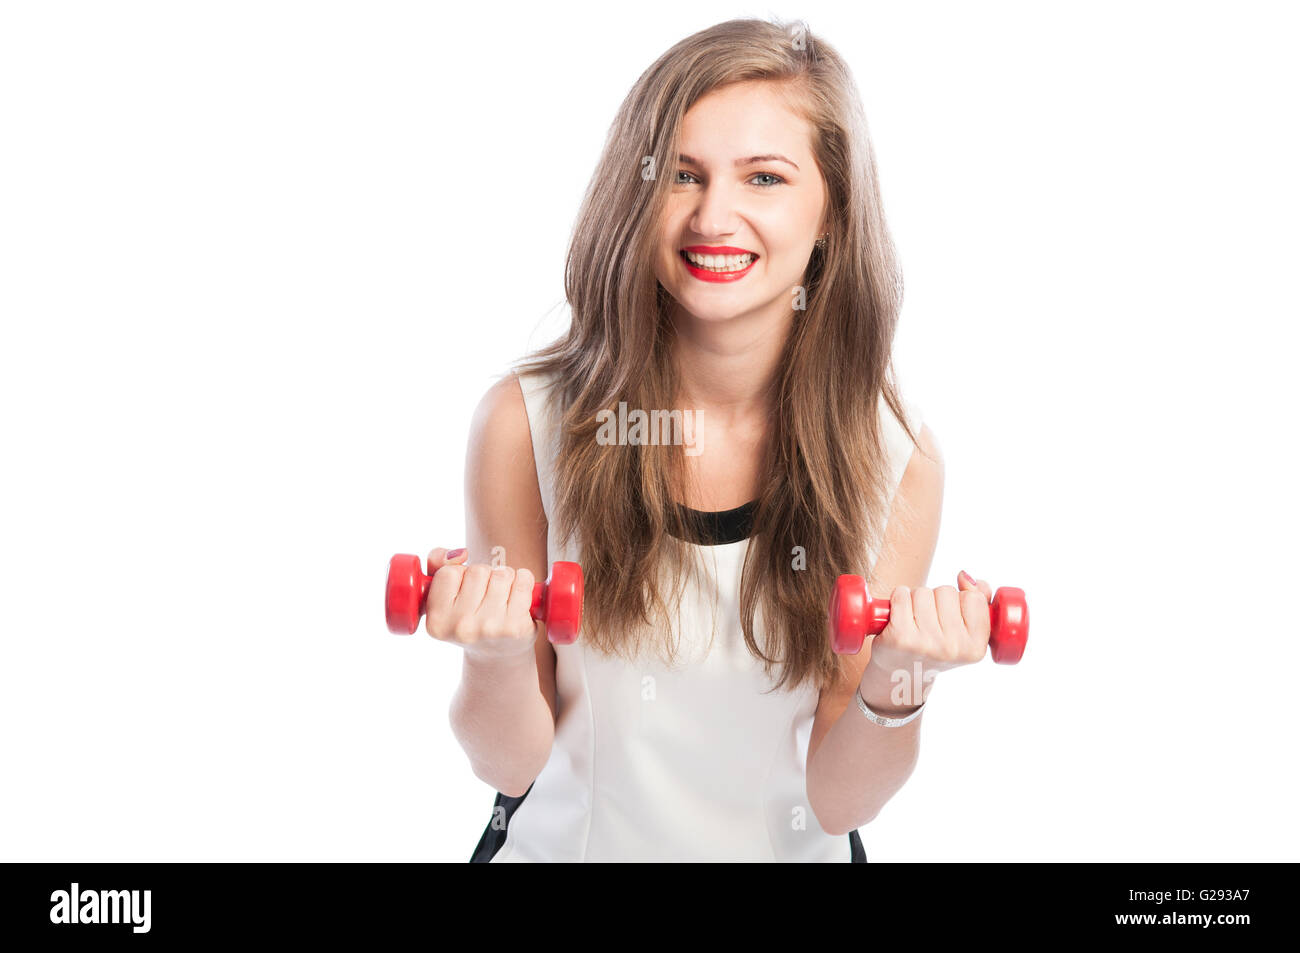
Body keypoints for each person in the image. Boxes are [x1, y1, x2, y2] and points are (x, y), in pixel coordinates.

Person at [427, 17, 997, 862]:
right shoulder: (525, 424)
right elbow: (507, 759)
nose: (714, 217)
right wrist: (500, 654)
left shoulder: (894, 460)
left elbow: (837, 800)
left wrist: (898, 685)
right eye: (682, 176)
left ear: (831, 211)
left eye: (765, 177)